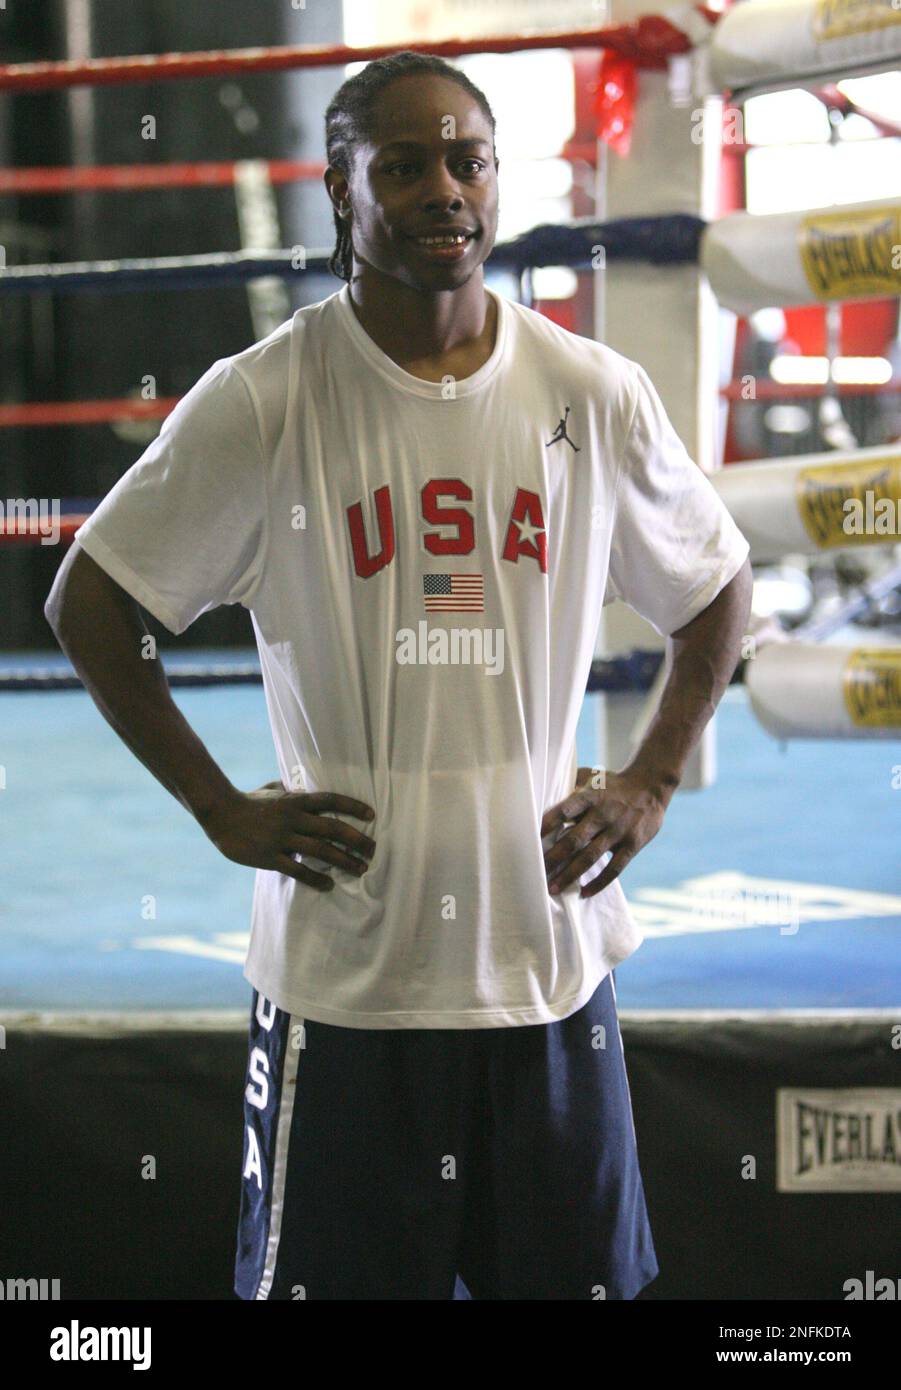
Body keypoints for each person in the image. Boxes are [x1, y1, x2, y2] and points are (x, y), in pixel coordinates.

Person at [45, 50, 753, 1300]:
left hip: (546, 959)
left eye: (468, 159)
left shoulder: (589, 390)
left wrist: (649, 781)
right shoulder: (263, 401)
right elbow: (89, 601)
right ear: (340, 188)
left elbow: (716, 584)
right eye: (405, 164)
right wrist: (220, 808)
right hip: (348, 979)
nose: (446, 190)